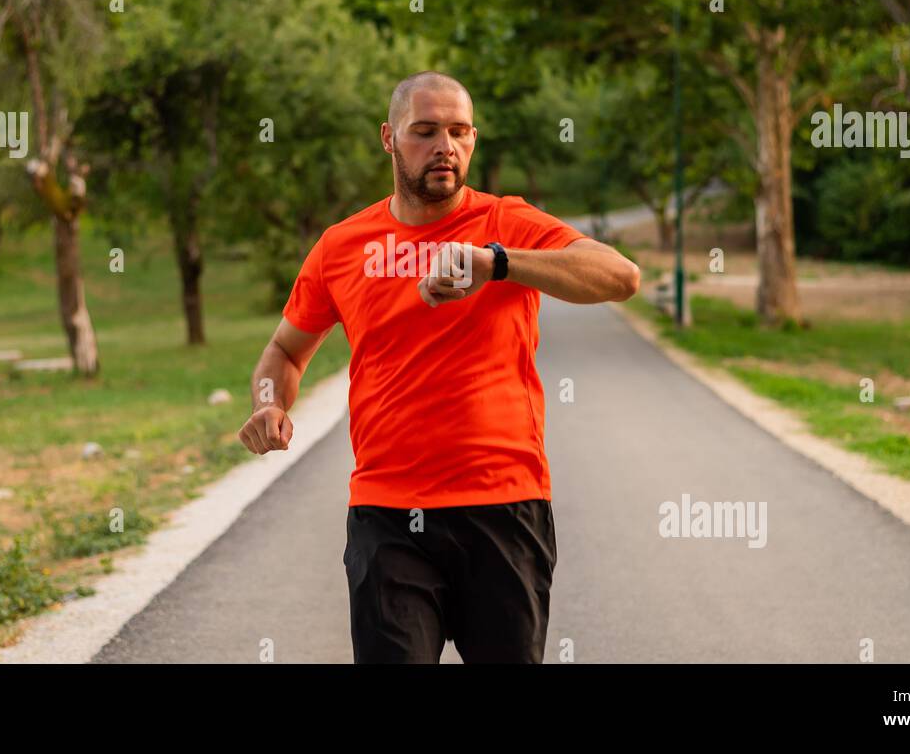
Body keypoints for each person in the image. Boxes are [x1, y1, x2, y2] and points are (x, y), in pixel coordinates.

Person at [238, 71, 641, 663]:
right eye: (424, 131)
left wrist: (495, 263)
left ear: (473, 139)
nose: (443, 147)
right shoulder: (343, 246)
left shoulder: (505, 224)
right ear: (389, 138)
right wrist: (268, 401)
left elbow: (620, 277)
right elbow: (284, 351)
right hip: (387, 512)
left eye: (458, 132)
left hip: (503, 504)